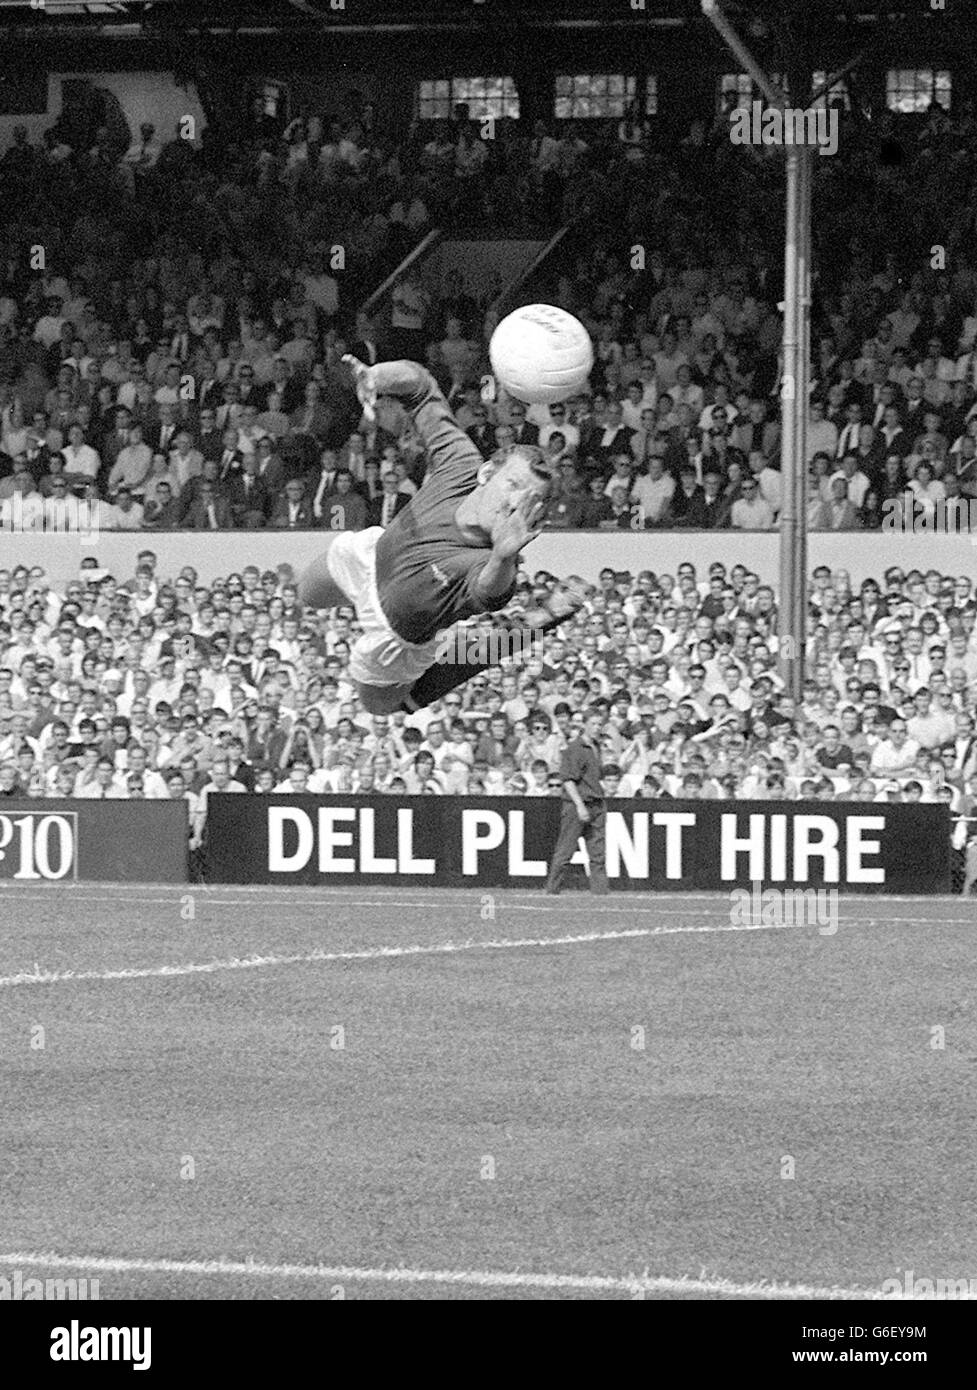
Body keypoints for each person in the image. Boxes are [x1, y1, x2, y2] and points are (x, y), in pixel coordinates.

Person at [297, 357, 584, 713]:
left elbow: (491, 592)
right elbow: (421, 386)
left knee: (382, 708)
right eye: (512, 485)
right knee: (304, 594)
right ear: (486, 474)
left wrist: (502, 555)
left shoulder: (489, 561)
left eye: (530, 499)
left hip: (396, 637)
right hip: (370, 557)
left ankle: (515, 633)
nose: (515, 501)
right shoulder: (460, 464)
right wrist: (378, 378)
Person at [545, 709, 610, 895]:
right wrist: (579, 805)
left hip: (596, 803)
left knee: (598, 854)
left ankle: (600, 893)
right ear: (585, 725)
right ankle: (552, 890)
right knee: (565, 851)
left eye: (600, 724)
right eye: (593, 724)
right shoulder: (575, 749)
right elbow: (568, 780)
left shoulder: (596, 746)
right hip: (578, 804)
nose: (597, 728)